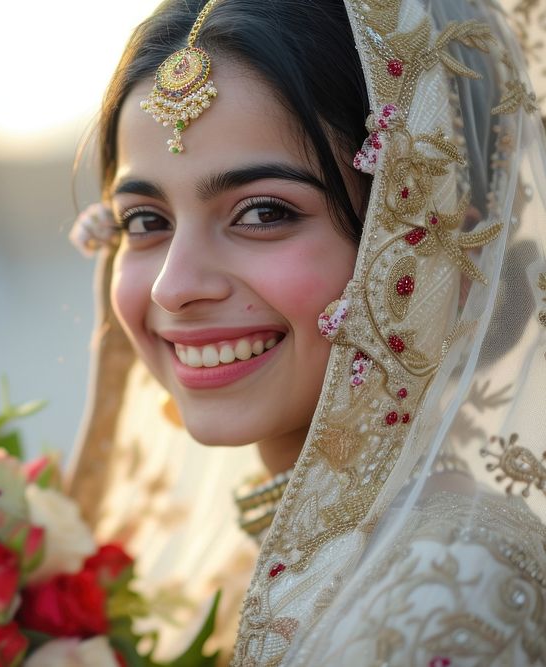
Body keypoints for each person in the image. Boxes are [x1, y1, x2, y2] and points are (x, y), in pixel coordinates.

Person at [67, 0, 546, 664]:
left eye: (263, 212)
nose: (172, 287)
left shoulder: (451, 585)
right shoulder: (258, 565)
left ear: (431, 253)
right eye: (146, 220)